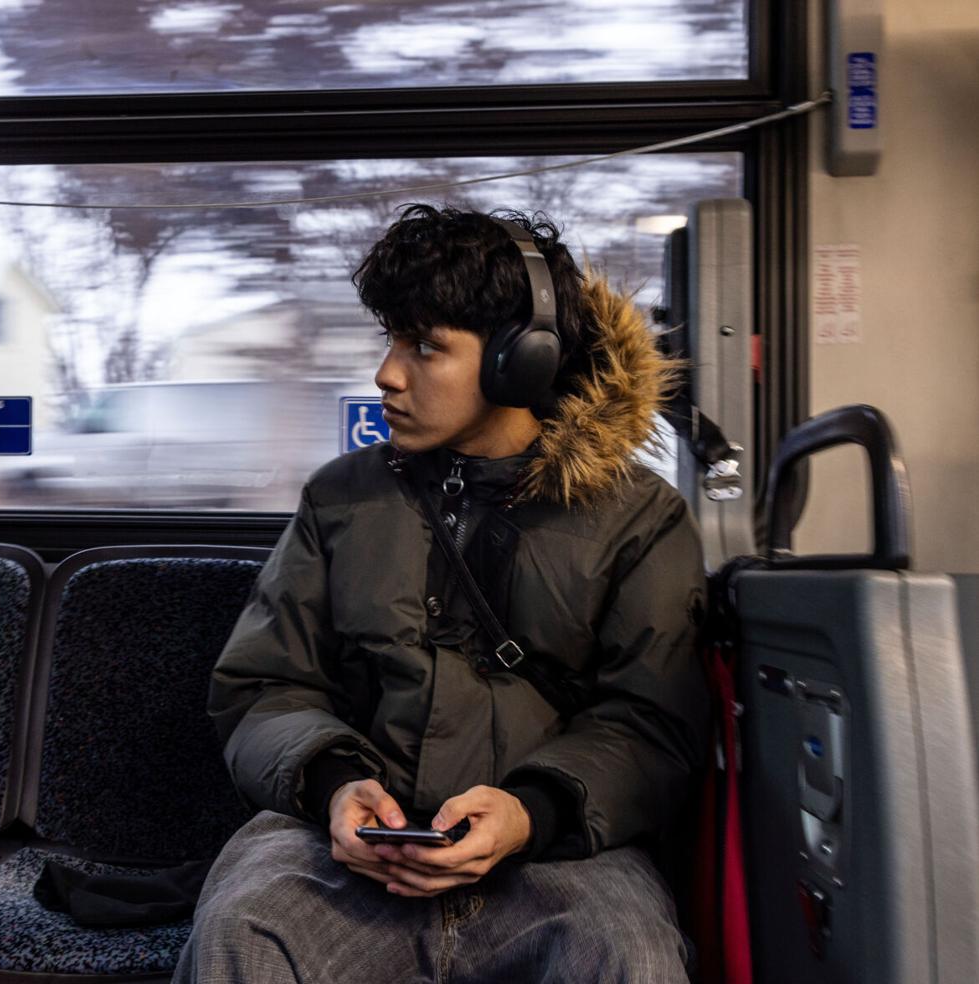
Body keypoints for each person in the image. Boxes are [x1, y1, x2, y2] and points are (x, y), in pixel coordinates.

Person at [173, 204, 709, 983]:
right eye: (391, 340)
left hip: (558, 853)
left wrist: (531, 811)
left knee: (631, 956)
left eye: (425, 347)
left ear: (519, 363)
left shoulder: (640, 519)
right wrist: (332, 785)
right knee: (241, 930)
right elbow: (262, 686)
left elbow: (654, 723)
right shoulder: (340, 499)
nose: (387, 374)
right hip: (349, 846)